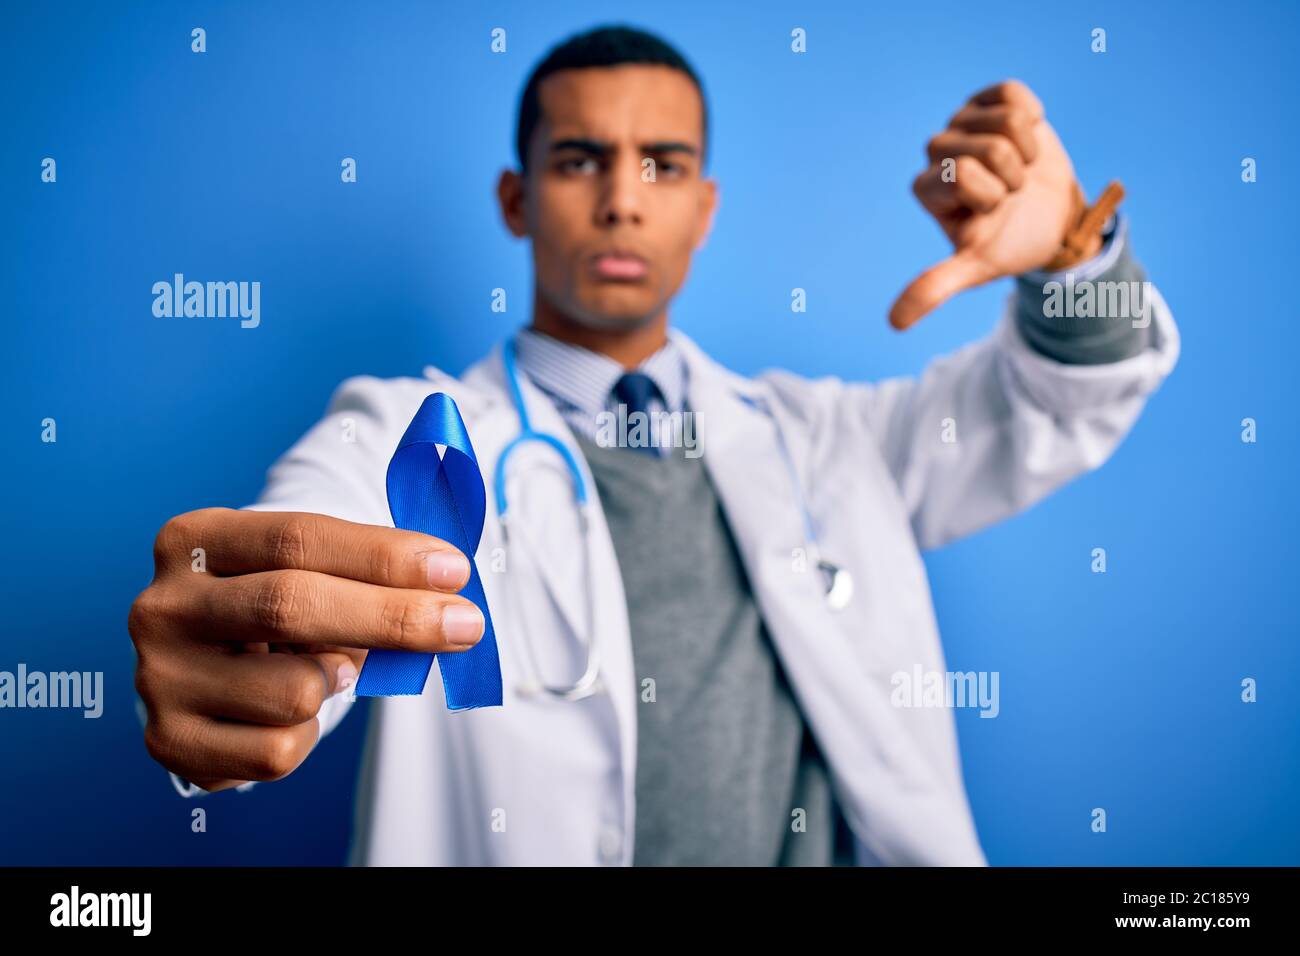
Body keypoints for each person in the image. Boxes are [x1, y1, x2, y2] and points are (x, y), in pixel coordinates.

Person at [128, 25, 1179, 865]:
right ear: (515, 198)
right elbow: (297, 543)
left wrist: (1070, 260)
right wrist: (239, 635)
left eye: (663, 165)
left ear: (705, 208)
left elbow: (1055, 402)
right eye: (580, 159)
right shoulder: (410, 438)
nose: (623, 198)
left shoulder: (825, 438)